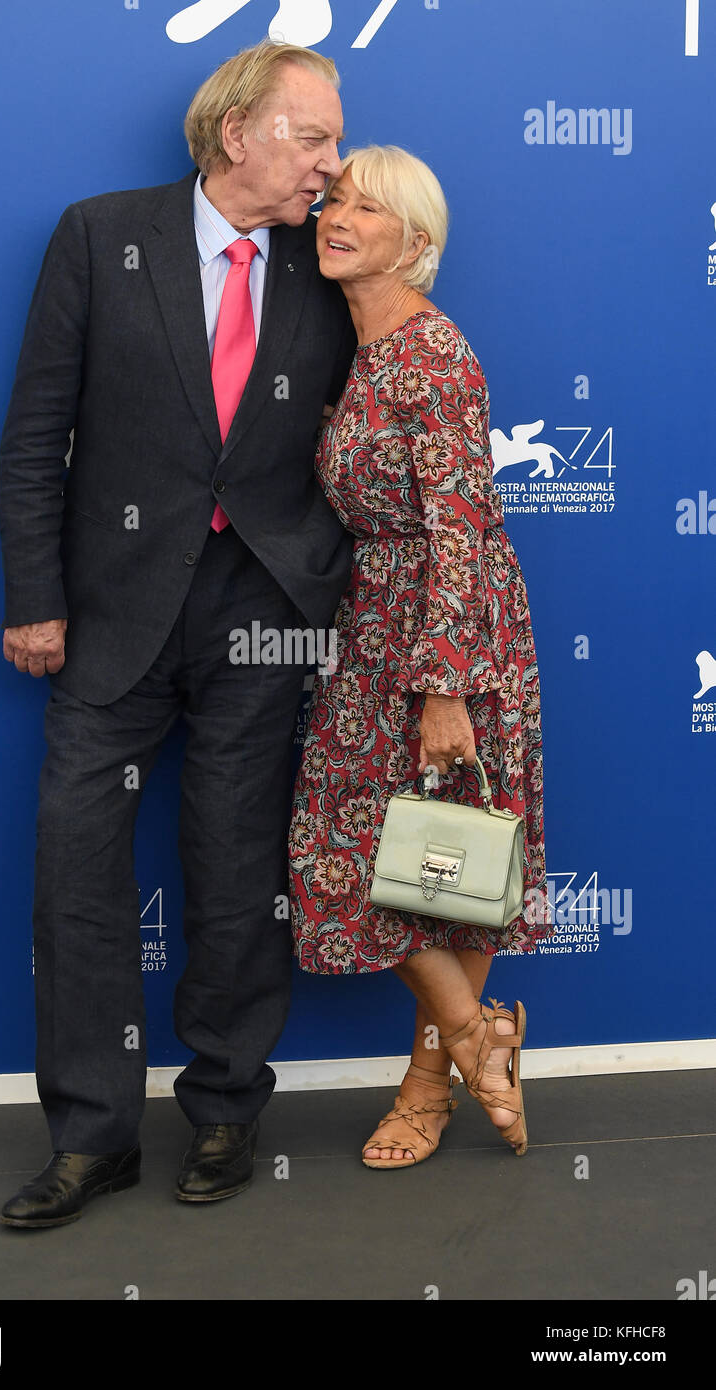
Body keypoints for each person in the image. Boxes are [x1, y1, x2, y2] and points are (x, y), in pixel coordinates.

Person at [0, 40, 356, 1225]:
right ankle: (93, 1135)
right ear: (234, 131)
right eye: (311, 137)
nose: (329, 163)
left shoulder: (329, 256)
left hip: (263, 609)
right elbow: (35, 433)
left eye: (334, 139)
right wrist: (34, 598)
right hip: (111, 613)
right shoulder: (100, 235)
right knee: (76, 869)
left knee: (237, 867)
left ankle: (222, 1111)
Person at [288, 145, 552, 1168]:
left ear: (418, 241)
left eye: (365, 207)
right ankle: (478, 1038)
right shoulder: (366, 351)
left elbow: (460, 528)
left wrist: (444, 684)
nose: (335, 215)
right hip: (371, 626)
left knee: (445, 857)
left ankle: (428, 1083)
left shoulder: (433, 356)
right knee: (368, 853)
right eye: (333, 200)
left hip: (447, 630)